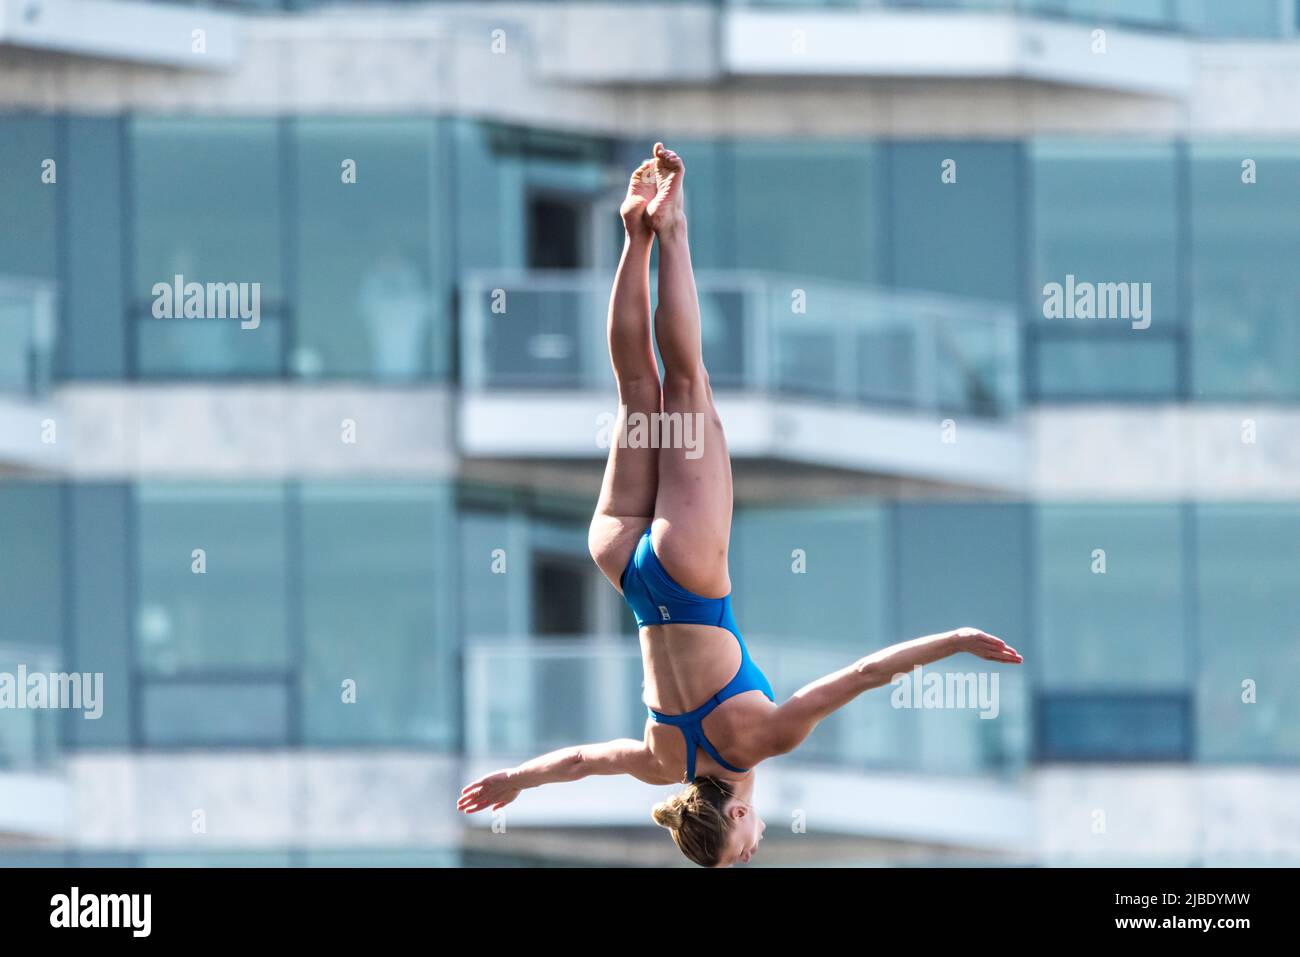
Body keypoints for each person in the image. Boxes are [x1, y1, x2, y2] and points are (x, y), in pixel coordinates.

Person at [457, 144, 1023, 867]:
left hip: (683, 567)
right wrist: (516, 779)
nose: (755, 850)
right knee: (638, 391)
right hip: (624, 564)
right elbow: (579, 761)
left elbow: (861, 676)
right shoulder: (663, 761)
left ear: (740, 812)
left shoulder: (760, 739)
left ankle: (674, 230)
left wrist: (956, 639)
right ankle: (634, 237)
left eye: (743, 850)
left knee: (686, 386)